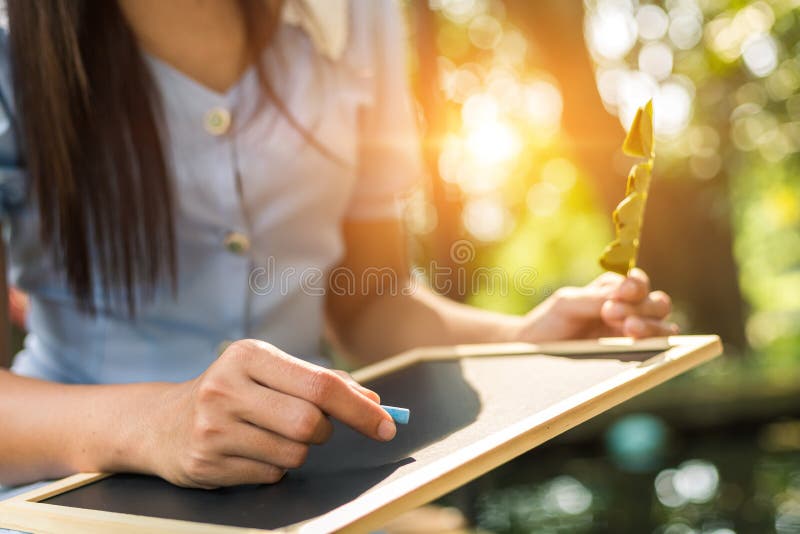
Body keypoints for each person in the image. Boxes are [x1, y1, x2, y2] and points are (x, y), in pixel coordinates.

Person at [0, 0, 676, 494]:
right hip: (65, 500)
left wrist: (520, 344)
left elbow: (370, 299)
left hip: (310, 497)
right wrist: (150, 424)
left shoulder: (360, 17)